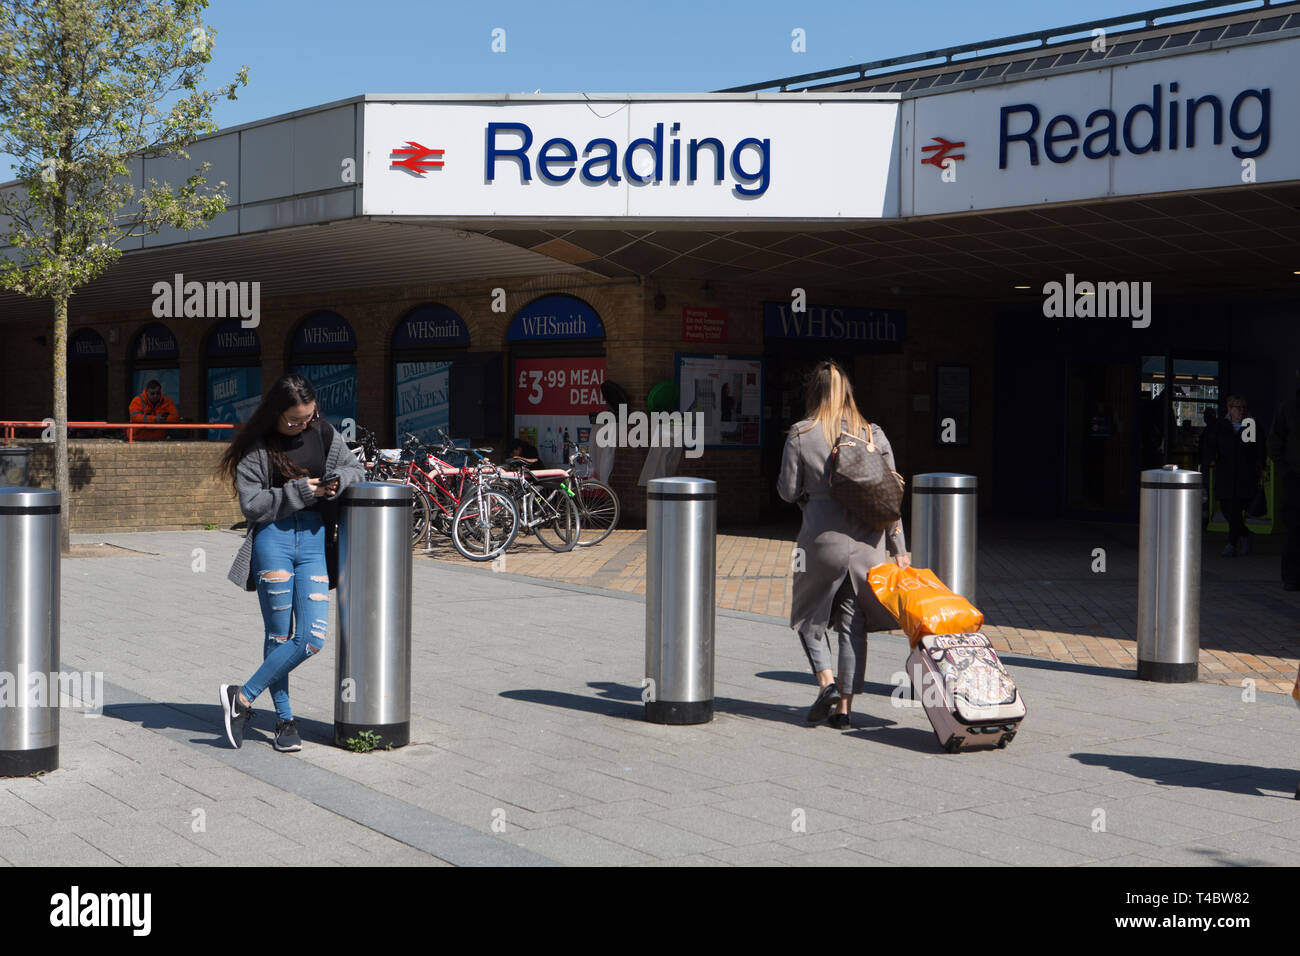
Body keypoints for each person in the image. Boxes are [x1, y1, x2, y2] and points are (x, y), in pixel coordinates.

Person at [216, 375, 366, 751]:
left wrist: (336, 481)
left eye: (308, 418)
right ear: (275, 414)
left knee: (312, 639)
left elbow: (356, 469)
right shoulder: (256, 447)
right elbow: (251, 504)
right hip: (273, 541)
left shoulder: (325, 433)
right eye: (294, 421)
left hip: (315, 539)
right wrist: (304, 490)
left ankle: (242, 697)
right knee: (279, 635)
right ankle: (284, 721)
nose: (302, 426)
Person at [777, 360, 908, 729]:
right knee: (853, 624)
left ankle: (826, 682)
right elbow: (890, 499)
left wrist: (810, 494)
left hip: (821, 544)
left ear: (814, 393)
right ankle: (844, 710)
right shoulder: (873, 434)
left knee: (808, 618)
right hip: (869, 547)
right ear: (848, 392)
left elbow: (787, 491)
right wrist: (900, 550)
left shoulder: (802, 434)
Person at [1204, 395, 1264, 557]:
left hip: (1245, 475)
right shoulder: (1221, 426)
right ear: (1229, 409)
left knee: (1236, 508)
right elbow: (1212, 444)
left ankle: (1231, 543)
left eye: (1244, 407)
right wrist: (1211, 459)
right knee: (1226, 508)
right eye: (1238, 407)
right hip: (1226, 473)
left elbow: (1256, 448)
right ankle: (1244, 534)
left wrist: (1259, 465)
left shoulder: (1249, 425)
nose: (1241, 411)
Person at [1267, 382, 1300, 590]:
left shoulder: (1287, 408)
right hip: (1295, 479)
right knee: (1294, 529)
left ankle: (1292, 578)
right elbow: (1275, 441)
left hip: (1292, 476)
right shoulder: (1288, 408)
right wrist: (1285, 470)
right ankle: (1292, 578)